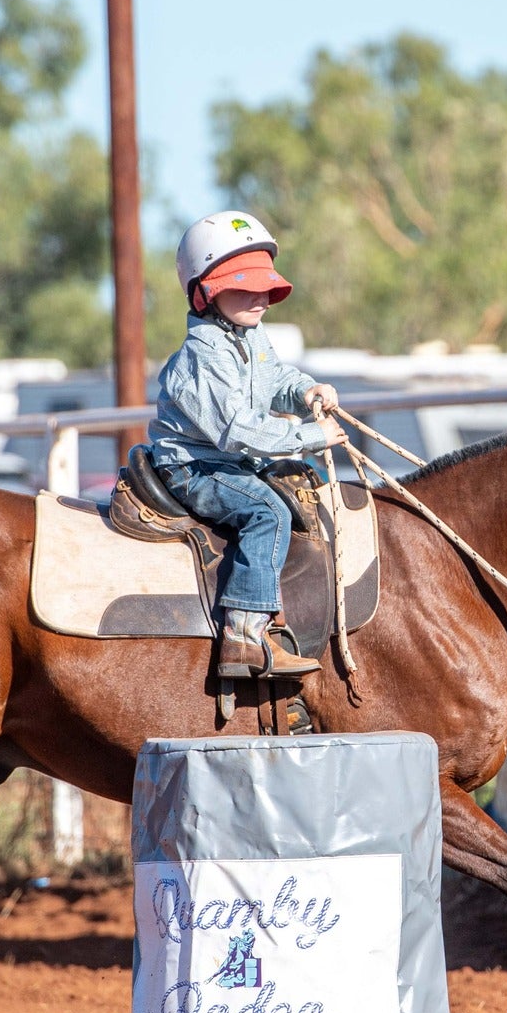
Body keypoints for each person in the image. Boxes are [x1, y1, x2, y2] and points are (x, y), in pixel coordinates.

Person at [147, 211, 345, 679]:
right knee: (268, 512)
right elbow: (237, 429)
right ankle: (243, 635)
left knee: (305, 491)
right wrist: (309, 436)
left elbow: (275, 380)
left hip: (229, 461)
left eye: (265, 287)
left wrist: (305, 391)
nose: (261, 298)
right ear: (205, 292)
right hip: (195, 466)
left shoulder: (252, 336)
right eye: (244, 287)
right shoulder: (202, 355)